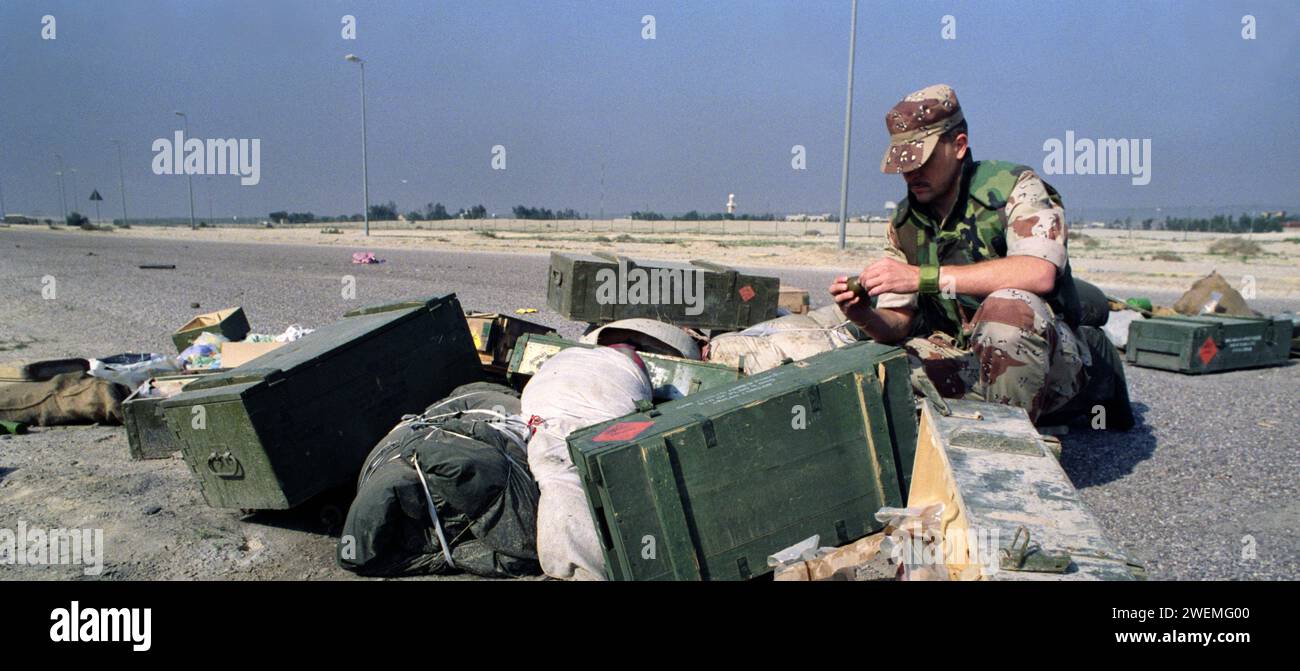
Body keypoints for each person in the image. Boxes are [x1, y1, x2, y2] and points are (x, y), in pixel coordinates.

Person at [829, 84, 1088, 423]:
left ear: (959, 146)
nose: (912, 174)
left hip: (1047, 357)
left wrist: (922, 278)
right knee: (875, 372)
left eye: (923, 161)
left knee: (1007, 311)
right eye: (905, 165)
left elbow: (1038, 272)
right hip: (962, 350)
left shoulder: (1015, 187)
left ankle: (1002, 446)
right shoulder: (905, 222)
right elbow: (899, 323)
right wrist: (863, 314)